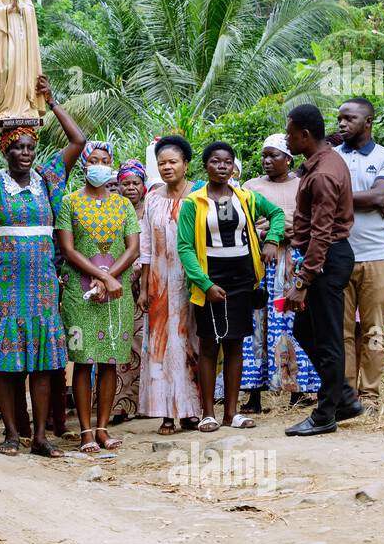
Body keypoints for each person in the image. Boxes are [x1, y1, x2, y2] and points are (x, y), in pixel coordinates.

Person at [0, 76, 85, 458]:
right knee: (5, 360)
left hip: (43, 283)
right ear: (6, 152)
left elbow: (78, 142)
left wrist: (52, 101)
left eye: (31, 147)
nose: (26, 153)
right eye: (18, 148)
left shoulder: (48, 179)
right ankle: (12, 434)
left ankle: (42, 437)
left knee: (44, 364)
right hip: (4, 283)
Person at [176, 142, 285, 432]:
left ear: (233, 167)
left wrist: (272, 240)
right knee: (209, 345)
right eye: (215, 161)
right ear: (205, 166)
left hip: (243, 279)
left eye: (227, 162)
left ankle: (232, 414)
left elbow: (277, 214)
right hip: (211, 279)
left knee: (236, 343)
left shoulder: (246, 197)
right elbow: (185, 248)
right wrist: (205, 283)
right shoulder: (193, 203)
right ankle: (208, 413)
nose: (222, 166)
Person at [55, 141, 140, 452]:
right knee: (82, 360)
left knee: (109, 361)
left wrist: (111, 277)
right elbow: (67, 248)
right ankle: (85, 431)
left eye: (105, 160)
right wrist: (103, 276)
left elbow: (133, 248)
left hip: (117, 293)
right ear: (84, 165)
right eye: (94, 160)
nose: (100, 165)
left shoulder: (124, 205)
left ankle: (103, 428)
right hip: (81, 291)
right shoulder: (70, 202)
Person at [282, 104, 361, 436]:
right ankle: (342, 395)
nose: (286, 139)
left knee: (328, 338)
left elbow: (322, 233)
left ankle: (326, 413)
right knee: (304, 329)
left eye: (289, 133)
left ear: (305, 134)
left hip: (327, 259)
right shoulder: (319, 164)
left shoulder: (325, 173)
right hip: (322, 258)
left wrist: (303, 278)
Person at [239, 134, 319, 412]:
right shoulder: (250, 187)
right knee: (257, 325)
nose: (267, 160)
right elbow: (243, 223)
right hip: (261, 262)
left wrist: (294, 231)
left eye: (274, 155)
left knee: (291, 322)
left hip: (294, 261)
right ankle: (254, 394)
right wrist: (265, 232)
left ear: (288, 159)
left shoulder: (302, 185)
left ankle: (296, 389)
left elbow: (311, 220)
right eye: (264, 155)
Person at [335, 98, 384, 404]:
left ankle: (370, 394)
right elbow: (372, 198)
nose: (342, 124)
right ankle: (347, 396)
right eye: (339, 119)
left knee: (373, 329)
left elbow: (379, 197)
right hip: (338, 256)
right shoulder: (331, 158)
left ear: (368, 121)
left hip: (376, 257)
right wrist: (369, 197)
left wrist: (339, 196)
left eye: (349, 119)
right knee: (342, 332)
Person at [137, 136, 203, 435]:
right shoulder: (152, 197)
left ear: (185, 164)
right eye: (162, 163)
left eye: (173, 162)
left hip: (193, 279)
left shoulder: (200, 194)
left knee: (192, 343)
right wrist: (144, 287)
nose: (167, 167)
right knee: (162, 347)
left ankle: (191, 411)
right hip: (160, 281)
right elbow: (146, 245)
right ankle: (166, 412)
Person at [110, 158, 149, 423]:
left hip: (147, 284)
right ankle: (120, 405)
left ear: (144, 186)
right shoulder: (114, 210)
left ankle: (145, 403)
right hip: (119, 283)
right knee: (120, 344)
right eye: (126, 183)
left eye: (136, 183)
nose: (131, 187)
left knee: (144, 343)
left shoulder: (151, 210)